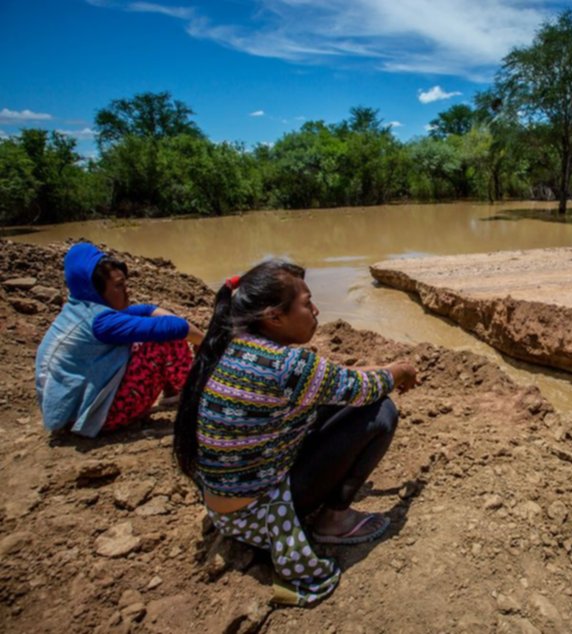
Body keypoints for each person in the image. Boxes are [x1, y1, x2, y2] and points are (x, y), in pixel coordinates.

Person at [172, 259, 418, 607]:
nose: (316, 309)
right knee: (382, 412)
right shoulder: (287, 366)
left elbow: (337, 382)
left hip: (226, 505)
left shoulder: (231, 345)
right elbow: (364, 388)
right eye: (306, 303)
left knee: (338, 401)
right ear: (273, 317)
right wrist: (401, 369)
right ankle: (333, 520)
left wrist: (384, 371)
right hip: (256, 516)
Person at [35, 242, 204, 437]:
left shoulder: (79, 310)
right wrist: (206, 341)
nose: (127, 291)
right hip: (95, 418)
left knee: (152, 330)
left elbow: (145, 310)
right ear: (96, 290)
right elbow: (176, 328)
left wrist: (163, 317)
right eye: (118, 286)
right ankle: (187, 393)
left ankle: (174, 394)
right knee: (163, 340)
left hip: (70, 415)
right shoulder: (101, 323)